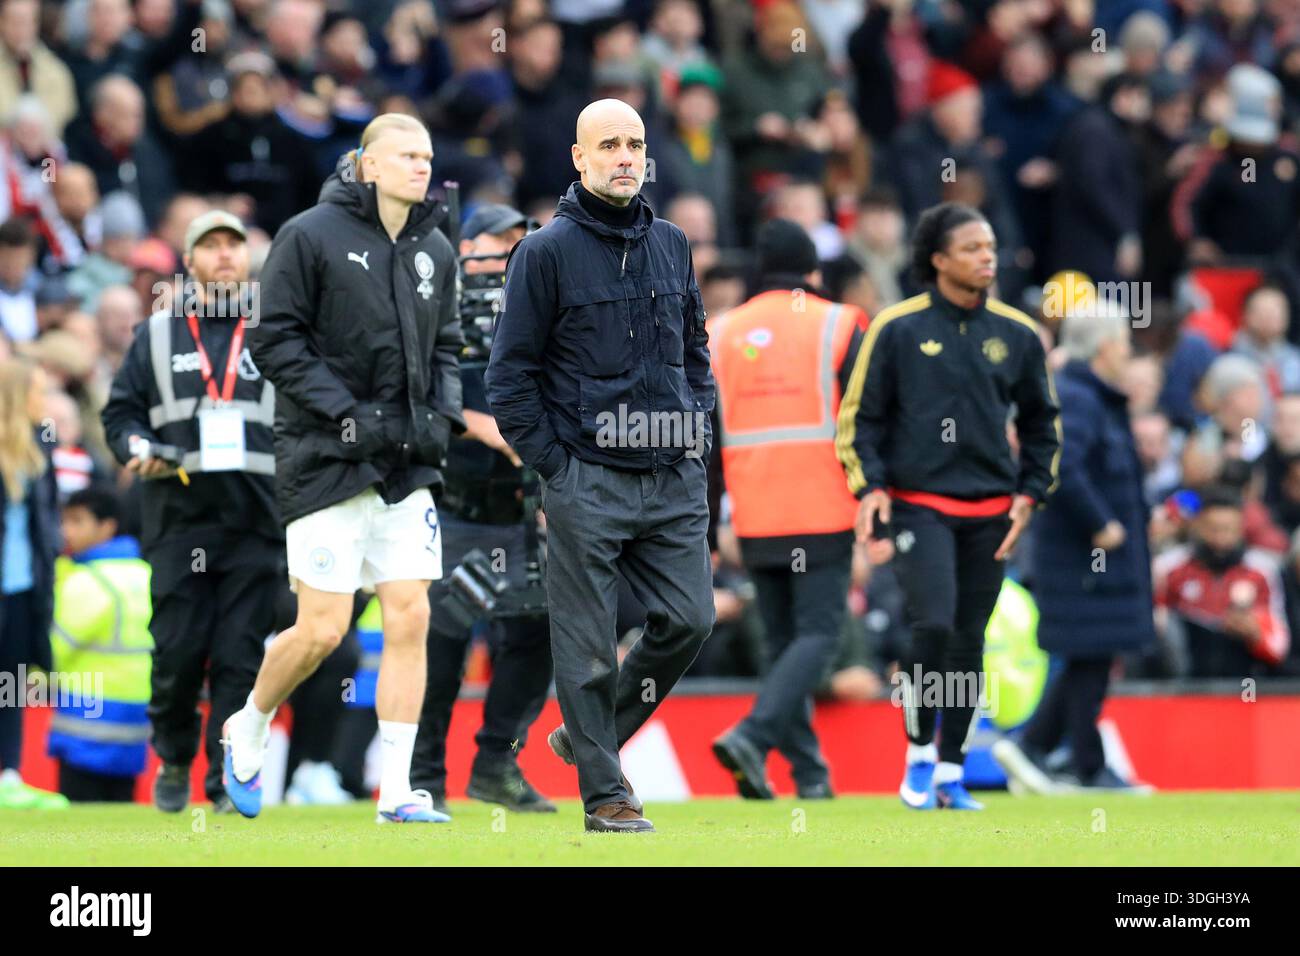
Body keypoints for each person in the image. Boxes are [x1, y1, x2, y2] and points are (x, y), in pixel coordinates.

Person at [224, 113, 464, 824]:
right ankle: (251, 720)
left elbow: (447, 345)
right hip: (325, 457)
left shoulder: (436, 249)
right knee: (323, 629)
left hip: (406, 465)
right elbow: (274, 341)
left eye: (426, 155)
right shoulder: (308, 234)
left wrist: (439, 419)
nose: (421, 167)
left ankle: (396, 790)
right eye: (405, 156)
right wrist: (348, 414)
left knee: (412, 614)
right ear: (368, 165)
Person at [486, 98, 715, 833]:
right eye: (609, 144)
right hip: (588, 476)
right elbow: (508, 379)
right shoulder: (544, 252)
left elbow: (695, 354)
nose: (625, 156)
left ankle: (587, 741)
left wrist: (696, 430)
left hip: (673, 472)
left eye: (636, 143)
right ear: (579, 159)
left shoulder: (674, 242)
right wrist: (557, 468)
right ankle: (607, 796)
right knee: (586, 652)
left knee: (691, 620)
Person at [835, 202, 1061, 811]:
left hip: (991, 511)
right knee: (933, 624)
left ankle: (951, 773)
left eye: (989, 246)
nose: (986, 256)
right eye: (971, 248)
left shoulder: (1017, 334)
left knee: (968, 639)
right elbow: (859, 418)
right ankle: (917, 756)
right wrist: (872, 487)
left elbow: (1043, 424)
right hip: (919, 507)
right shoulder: (898, 328)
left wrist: (1030, 493)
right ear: (937, 261)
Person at [100, 210, 283, 814]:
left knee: (238, 659)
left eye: (235, 244)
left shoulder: (277, 330)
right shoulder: (156, 333)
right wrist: (133, 449)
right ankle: (175, 757)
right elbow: (120, 414)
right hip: (179, 517)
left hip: (257, 520)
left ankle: (223, 781)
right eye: (212, 246)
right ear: (189, 262)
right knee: (177, 652)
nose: (226, 255)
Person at [707, 218, 867, 800]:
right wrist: (875, 495)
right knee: (820, 636)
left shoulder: (718, 332)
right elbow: (866, 421)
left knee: (782, 643)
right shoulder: (840, 324)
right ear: (814, 271)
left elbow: (705, 442)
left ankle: (808, 776)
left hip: (753, 513)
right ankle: (753, 735)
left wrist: (709, 522)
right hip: (821, 507)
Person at [412, 203, 555, 815]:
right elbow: (415, 395)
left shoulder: (539, 312)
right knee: (440, 642)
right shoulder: (433, 310)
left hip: (522, 509)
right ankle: (420, 776)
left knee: (538, 632)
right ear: (463, 247)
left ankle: (497, 761)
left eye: (518, 242)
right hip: (456, 505)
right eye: (497, 241)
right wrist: (487, 428)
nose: (507, 253)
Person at [994, 305, 1155, 794]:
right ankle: (1081, 764)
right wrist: (1102, 523)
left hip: (1092, 561)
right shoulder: (1081, 399)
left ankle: (1040, 749)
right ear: (1105, 347)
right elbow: (1062, 470)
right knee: (1089, 656)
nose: (1128, 355)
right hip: (1085, 559)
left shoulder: (1088, 396)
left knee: (1090, 656)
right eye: (1125, 344)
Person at [47, 485, 153, 802]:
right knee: (119, 827)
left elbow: (51, 653)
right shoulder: (146, 573)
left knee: (77, 829)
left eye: (77, 521)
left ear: (107, 526)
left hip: (84, 727)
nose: (67, 530)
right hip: (136, 723)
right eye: (65, 521)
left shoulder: (87, 581)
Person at [0, 357, 66, 810]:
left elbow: (48, 528)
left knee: (12, 683)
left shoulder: (41, 451)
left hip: (22, 590)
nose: (48, 403)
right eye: (39, 392)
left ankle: (8, 775)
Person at [1154, 486, 1290, 678]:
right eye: (1213, 529)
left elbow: (1280, 646)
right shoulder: (1168, 567)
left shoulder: (1263, 571)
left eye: (1229, 530)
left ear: (1241, 529)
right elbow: (1151, 631)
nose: (1220, 539)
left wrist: (1254, 633)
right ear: (1197, 526)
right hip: (1182, 680)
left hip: (1243, 683)